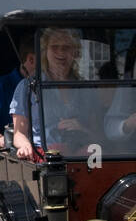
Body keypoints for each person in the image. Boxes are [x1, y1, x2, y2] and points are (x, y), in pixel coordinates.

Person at [11, 28, 95, 160]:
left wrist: (82, 129)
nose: (61, 52)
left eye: (66, 47)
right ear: (45, 52)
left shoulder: (85, 89)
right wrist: (25, 146)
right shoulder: (27, 86)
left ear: (75, 52)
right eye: (55, 47)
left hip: (81, 154)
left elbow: (99, 135)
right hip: (44, 155)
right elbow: (19, 133)